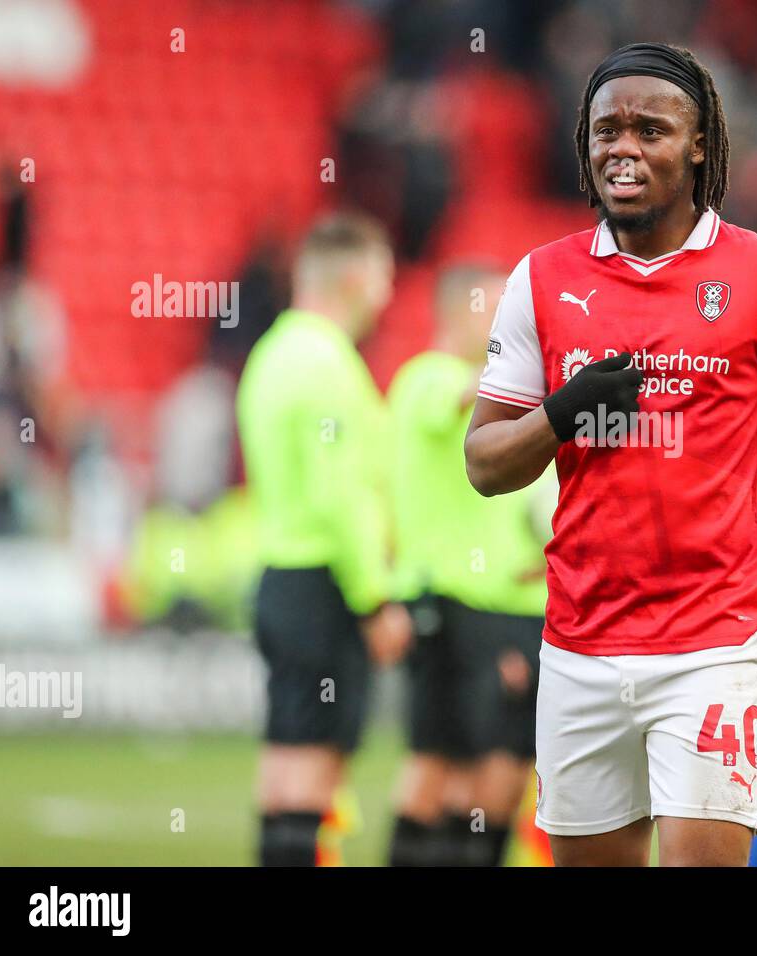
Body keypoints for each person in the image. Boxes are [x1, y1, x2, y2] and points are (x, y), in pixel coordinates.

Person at [464, 42, 757, 867]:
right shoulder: (539, 280)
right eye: (605, 129)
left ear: (699, 145)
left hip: (713, 644)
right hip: (580, 645)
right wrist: (561, 413)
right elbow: (484, 463)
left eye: (649, 129)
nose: (622, 146)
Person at [237, 211, 412, 866]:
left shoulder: (272, 354)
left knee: (285, 760)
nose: (388, 293)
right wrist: (373, 599)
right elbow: (342, 497)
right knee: (313, 772)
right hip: (325, 586)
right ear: (355, 276)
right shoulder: (328, 366)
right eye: (384, 275)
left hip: (282, 574)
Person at [386, 263, 555, 866]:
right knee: (461, 769)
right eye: (495, 311)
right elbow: (461, 399)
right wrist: (557, 394)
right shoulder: (430, 378)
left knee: (480, 776)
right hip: (466, 604)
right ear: (460, 312)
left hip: (500, 605)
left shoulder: (475, 393)